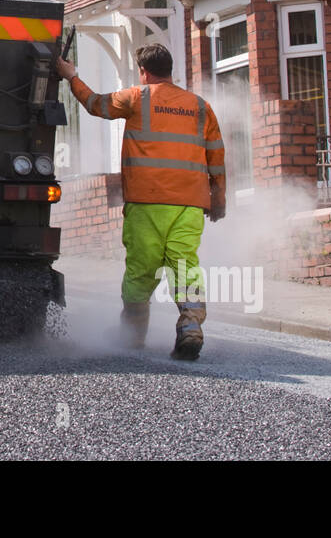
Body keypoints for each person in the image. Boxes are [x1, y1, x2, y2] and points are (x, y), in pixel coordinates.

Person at [54, 43, 226, 360]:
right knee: (185, 265)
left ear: (143, 72)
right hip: (189, 204)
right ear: (170, 69)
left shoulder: (136, 97)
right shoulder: (200, 106)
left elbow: (95, 104)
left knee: (140, 270)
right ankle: (191, 328)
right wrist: (220, 199)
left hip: (147, 202)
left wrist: (71, 75)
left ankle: (133, 334)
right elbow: (216, 156)